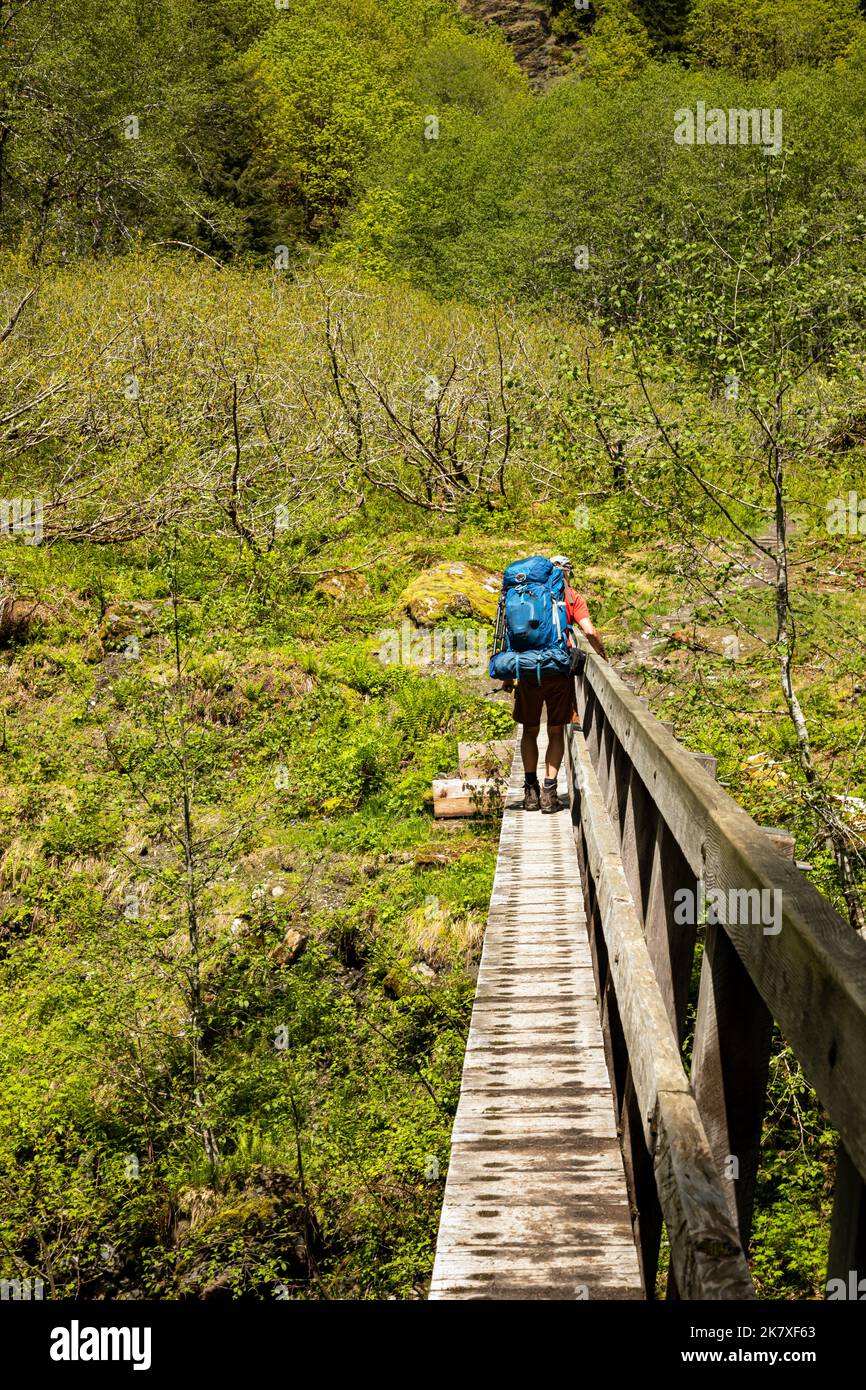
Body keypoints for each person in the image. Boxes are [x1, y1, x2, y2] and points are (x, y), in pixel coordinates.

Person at [511, 555, 606, 813]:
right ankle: (549, 794)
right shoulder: (571, 596)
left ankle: (529, 792)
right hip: (557, 671)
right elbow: (589, 632)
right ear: (567, 573)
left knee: (529, 731)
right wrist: (603, 655)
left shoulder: (525, 593)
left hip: (528, 669)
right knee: (555, 731)